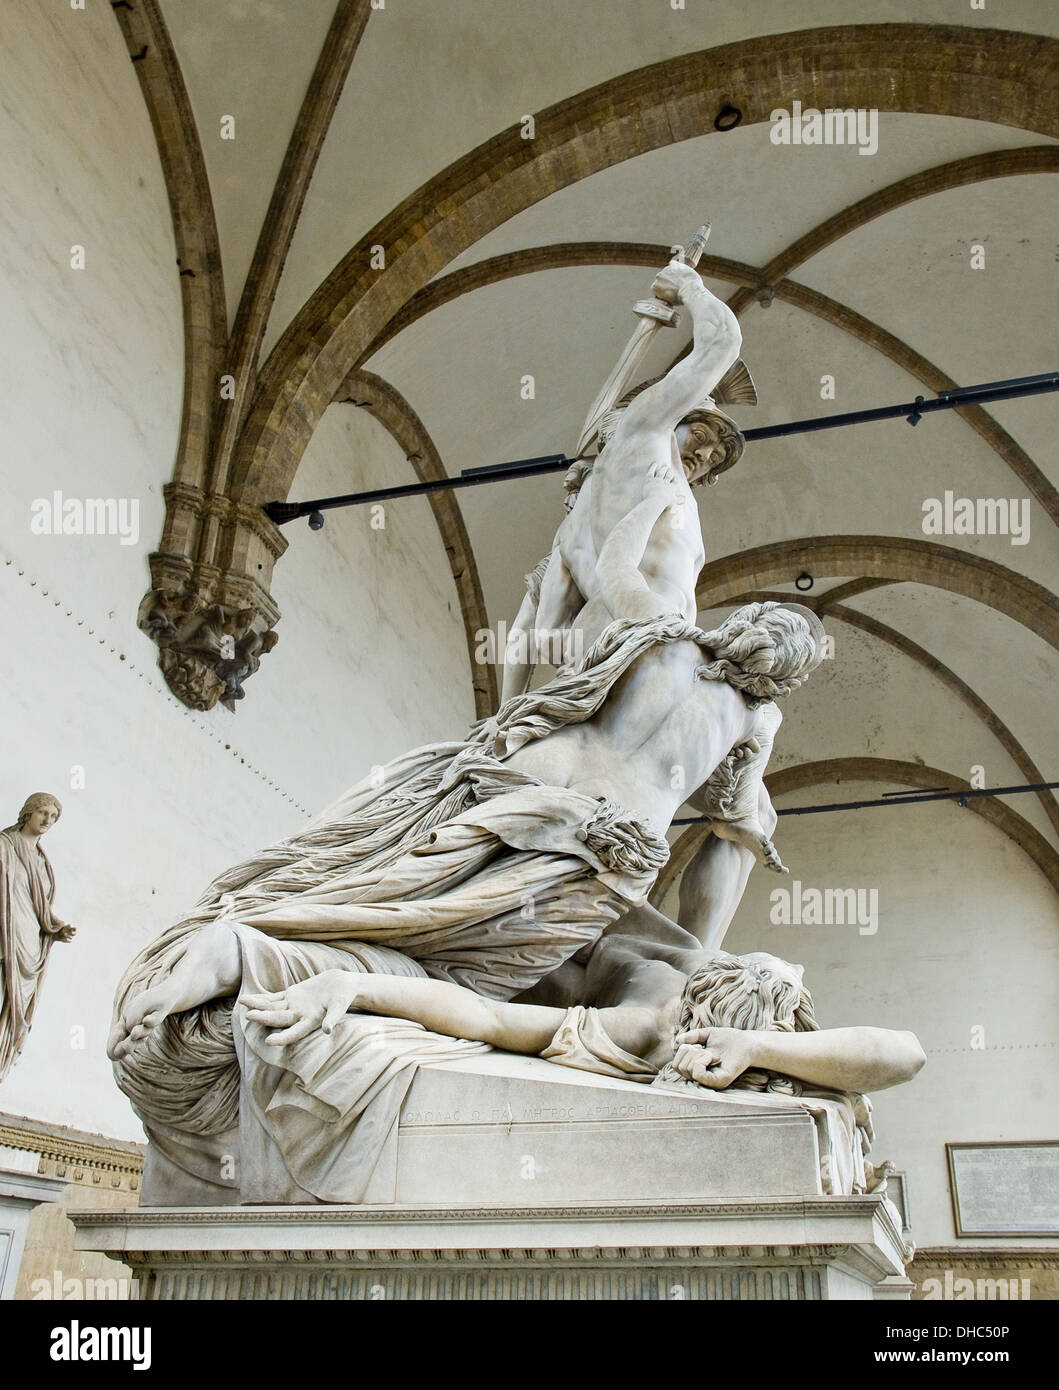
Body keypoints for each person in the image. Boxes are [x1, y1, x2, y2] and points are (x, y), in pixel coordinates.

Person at [501, 260, 745, 704]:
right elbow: (723, 342)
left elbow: (541, 635)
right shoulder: (646, 434)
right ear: (674, 413)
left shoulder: (658, 500)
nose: (704, 457)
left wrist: (505, 714)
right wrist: (689, 285)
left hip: (660, 647)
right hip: (641, 637)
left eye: (715, 459)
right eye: (703, 437)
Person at [240, 948, 925, 1100]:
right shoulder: (652, 1025)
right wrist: (353, 984)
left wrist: (762, 1046)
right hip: (600, 960)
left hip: (706, 979)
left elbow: (905, 1053)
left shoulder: (784, 1048)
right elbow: (486, 1015)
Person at [0, 793, 75, 1081]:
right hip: (4, 943)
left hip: (29, 946)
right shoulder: (4, 846)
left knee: (12, 1017)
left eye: (53, 817)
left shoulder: (42, 863)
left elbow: (41, 909)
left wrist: (56, 928)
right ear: (28, 812)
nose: (47, 820)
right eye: (42, 812)